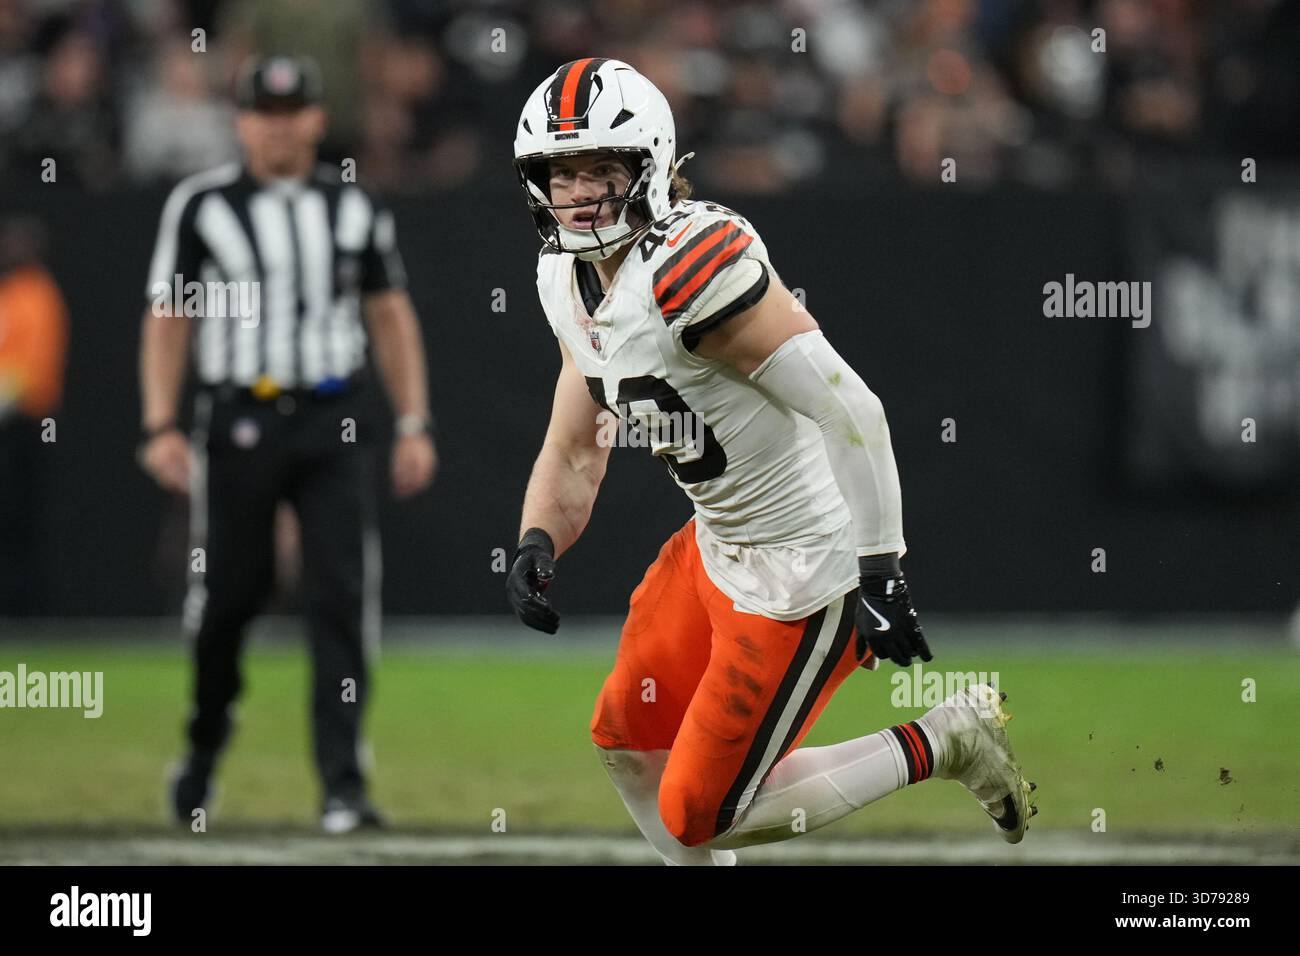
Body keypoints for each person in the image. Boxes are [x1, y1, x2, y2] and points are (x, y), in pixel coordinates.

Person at [506, 58, 1035, 864]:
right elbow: (576, 445)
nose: (578, 194)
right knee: (627, 738)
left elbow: (852, 407)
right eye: (561, 173)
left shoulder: (691, 270)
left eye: (600, 171)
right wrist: (538, 540)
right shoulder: (563, 278)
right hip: (717, 544)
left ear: (648, 167)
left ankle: (946, 741)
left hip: (805, 566)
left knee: (700, 813)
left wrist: (881, 568)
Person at [138, 55, 436, 833]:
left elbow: (390, 314)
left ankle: (342, 784)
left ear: (313, 119)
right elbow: (169, 316)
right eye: (264, 112)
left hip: (333, 417)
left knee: (341, 596)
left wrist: (411, 421)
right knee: (229, 600)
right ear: (242, 121)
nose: (278, 124)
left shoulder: (354, 207)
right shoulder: (200, 206)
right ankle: (204, 749)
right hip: (240, 418)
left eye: (292, 110)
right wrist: (161, 423)